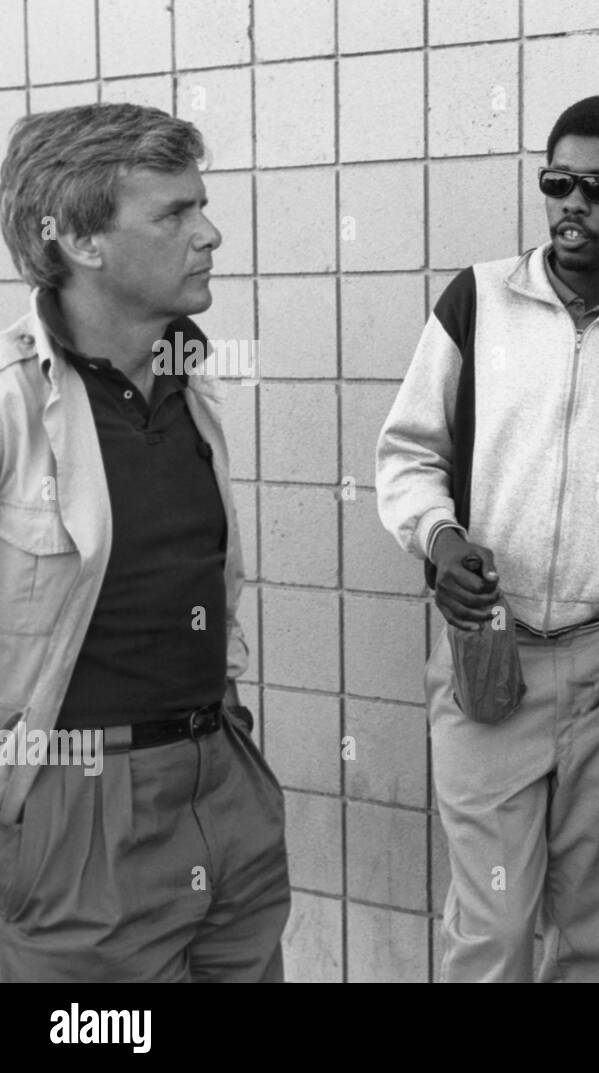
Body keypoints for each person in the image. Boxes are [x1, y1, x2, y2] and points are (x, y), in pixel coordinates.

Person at [376, 95, 599, 983]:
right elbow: (410, 452)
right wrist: (440, 540)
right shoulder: (479, 299)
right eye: (557, 181)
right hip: (489, 658)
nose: (572, 203)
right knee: (492, 927)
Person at [0, 104, 288, 982]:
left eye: (200, 205)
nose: (210, 234)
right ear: (81, 241)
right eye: (173, 214)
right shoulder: (13, 403)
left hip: (222, 783)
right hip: (75, 811)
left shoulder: (189, 381)